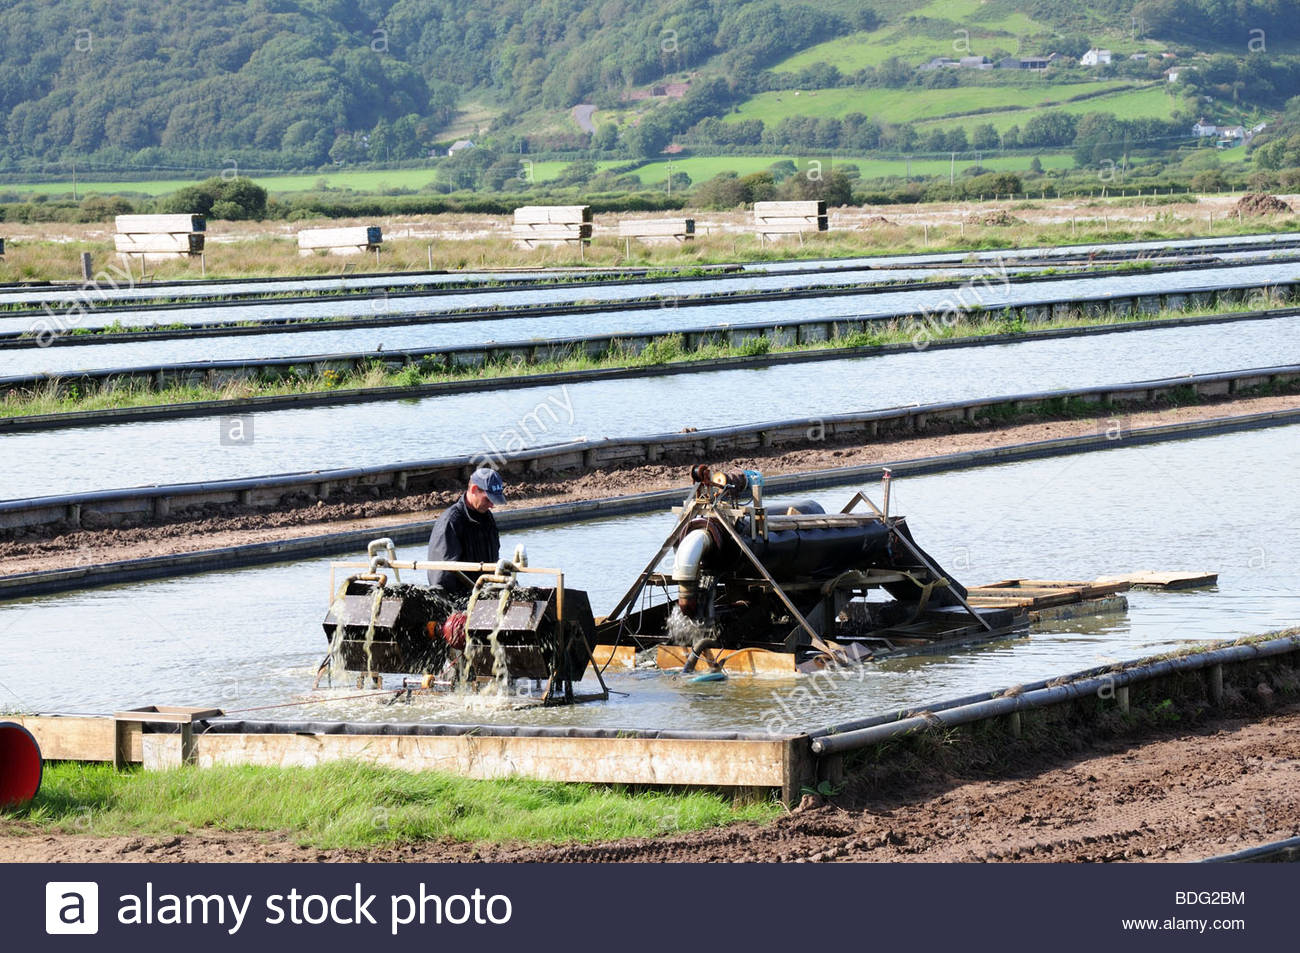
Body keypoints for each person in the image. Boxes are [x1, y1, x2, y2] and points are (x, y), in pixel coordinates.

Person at [426, 467, 506, 593]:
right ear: (474, 489)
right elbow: (441, 576)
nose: (492, 505)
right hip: (461, 599)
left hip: (484, 594)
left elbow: (494, 559)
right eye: (488, 499)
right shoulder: (451, 522)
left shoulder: (487, 518)